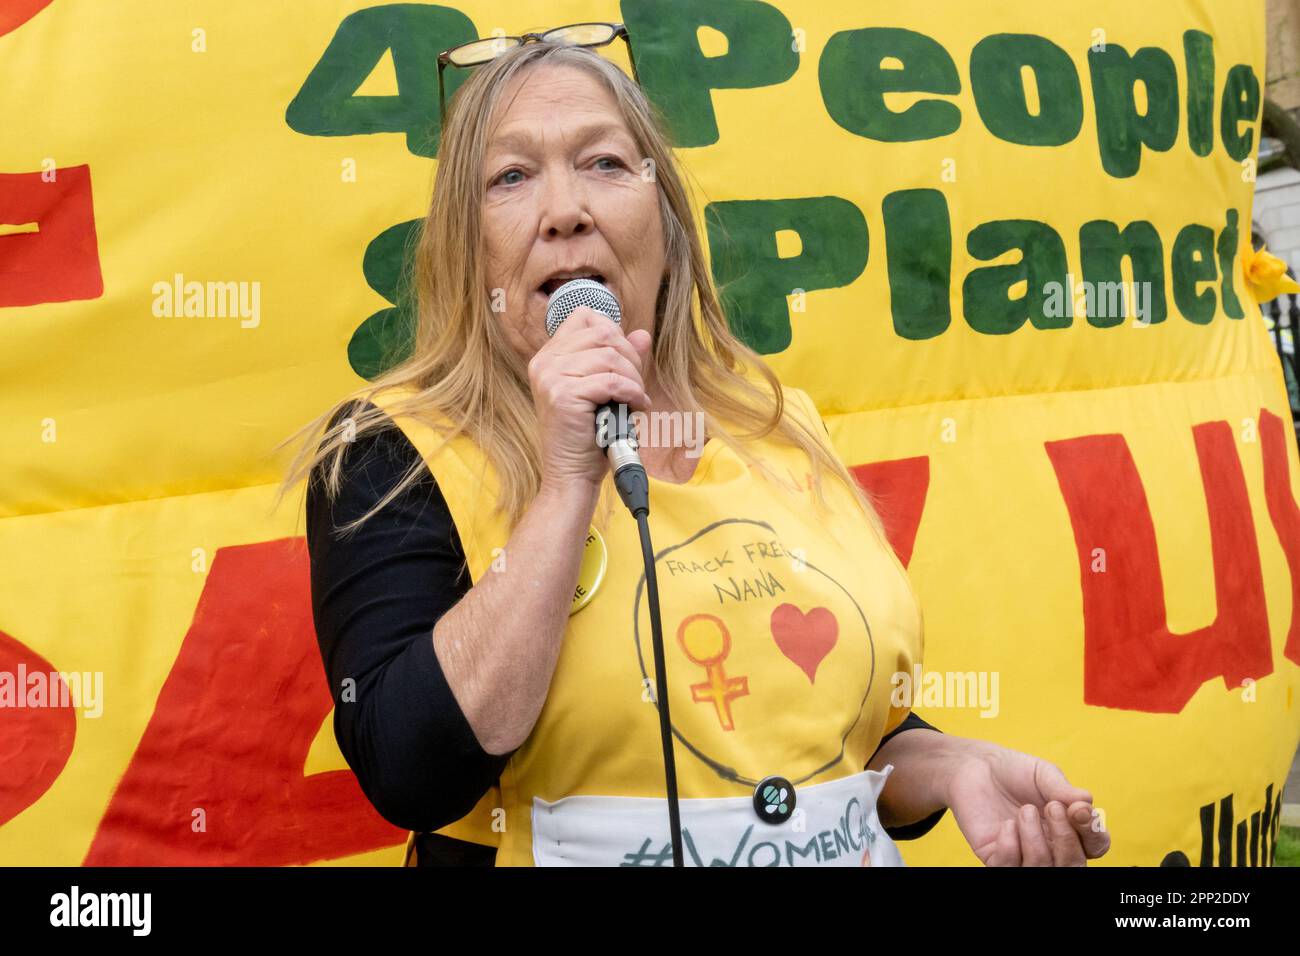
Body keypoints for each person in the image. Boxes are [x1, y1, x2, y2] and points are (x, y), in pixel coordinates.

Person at [280, 30, 1111, 868]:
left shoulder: (776, 424)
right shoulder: (392, 451)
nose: (566, 210)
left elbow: (839, 737)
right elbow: (410, 771)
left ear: (668, 225)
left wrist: (949, 764)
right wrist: (568, 483)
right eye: (512, 176)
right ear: (467, 249)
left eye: (606, 163)